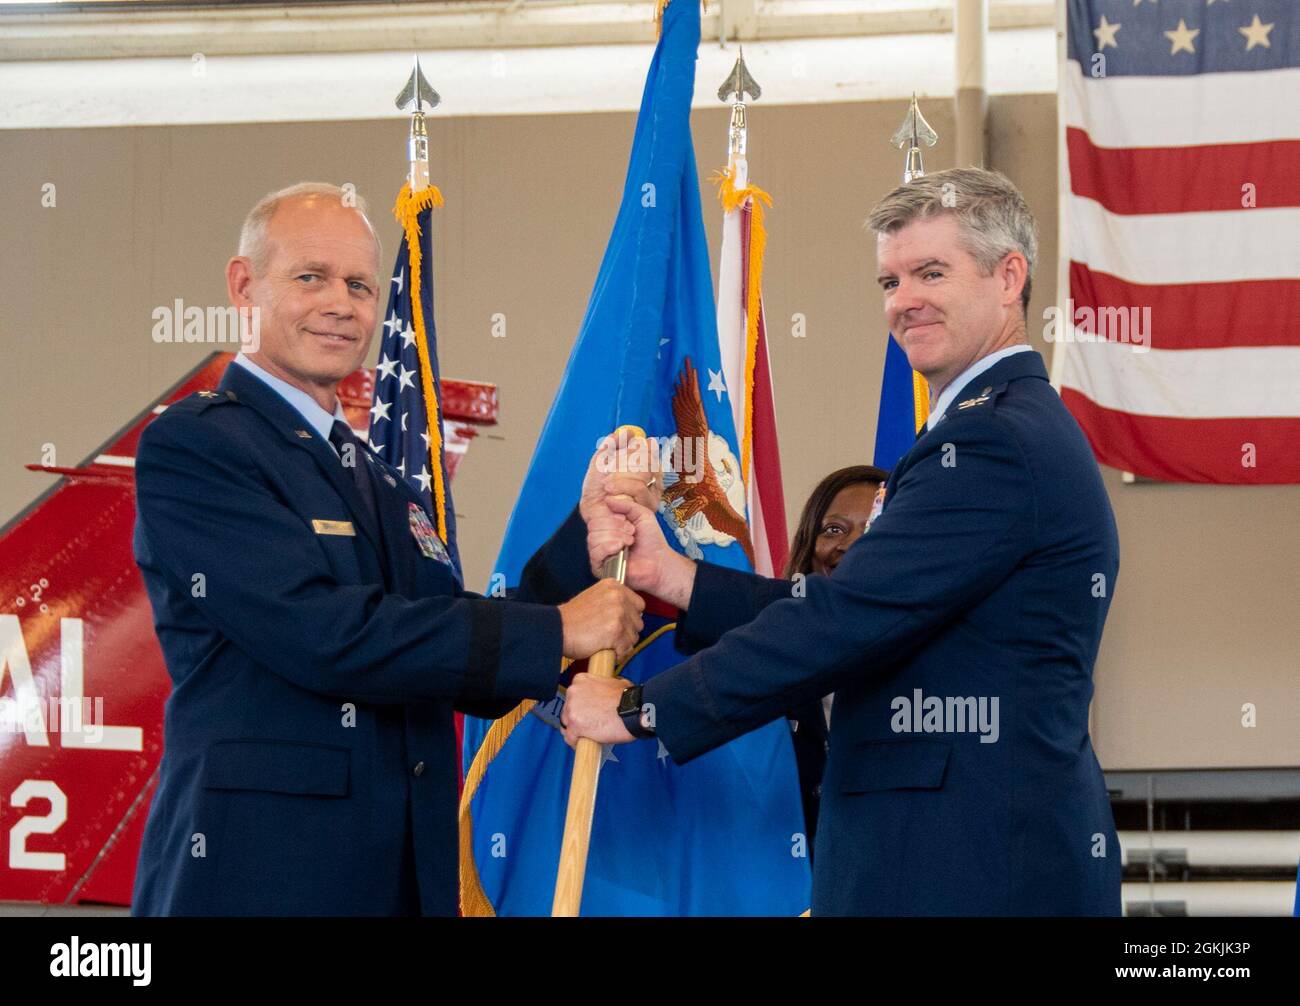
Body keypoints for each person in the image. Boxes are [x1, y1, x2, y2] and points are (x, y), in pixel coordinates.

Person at [566, 167, 1123, 916]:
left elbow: (842, 623)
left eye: (931, 272)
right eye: (890, 282)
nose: (904, 301)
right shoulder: (999, 427)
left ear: (1008, 277)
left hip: (969, 868)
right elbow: (855, 609)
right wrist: (677, 577)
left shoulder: (993, 439)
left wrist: (638, 709)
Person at [131, 182, 648, 916]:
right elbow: (325, 635)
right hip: (263, 878)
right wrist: (562, 630)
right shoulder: (199, 446)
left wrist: (583, 537)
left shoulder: (375, 475)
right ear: (244, 285)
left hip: (404, 878)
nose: (341, 304)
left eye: (360, 285)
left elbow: (450, 643)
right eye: (311, 277)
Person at [783, 465, 889, 854]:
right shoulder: (767, 665)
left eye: (874, 527)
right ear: (808, 549)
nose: (853, 544)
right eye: (833, 530)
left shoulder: (931, 673)